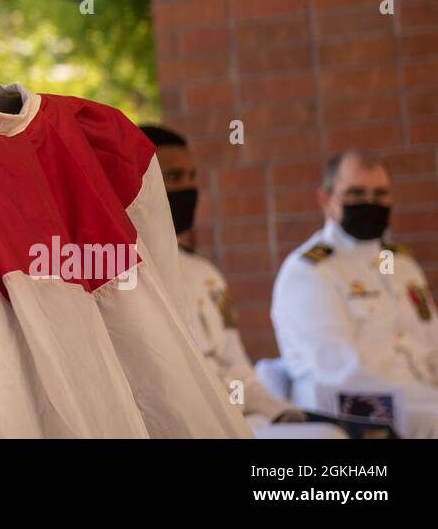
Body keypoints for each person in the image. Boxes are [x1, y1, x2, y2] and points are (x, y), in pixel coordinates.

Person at [139, 124, 344, 438]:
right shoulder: (128, 277)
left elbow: (237, 369)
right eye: (174, 178)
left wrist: (281, 412)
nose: (189, 188)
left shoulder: (204, 274)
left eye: (192, 177)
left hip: (242, 419)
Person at [271, 150, 438, 438]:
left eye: (380, 194)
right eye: (356, 194)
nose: (369, 203)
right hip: (351, 406)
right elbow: (340, 373)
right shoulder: (309, 271)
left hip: (419, 397)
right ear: (326, 200)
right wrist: (427, 398)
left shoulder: (403, 265)